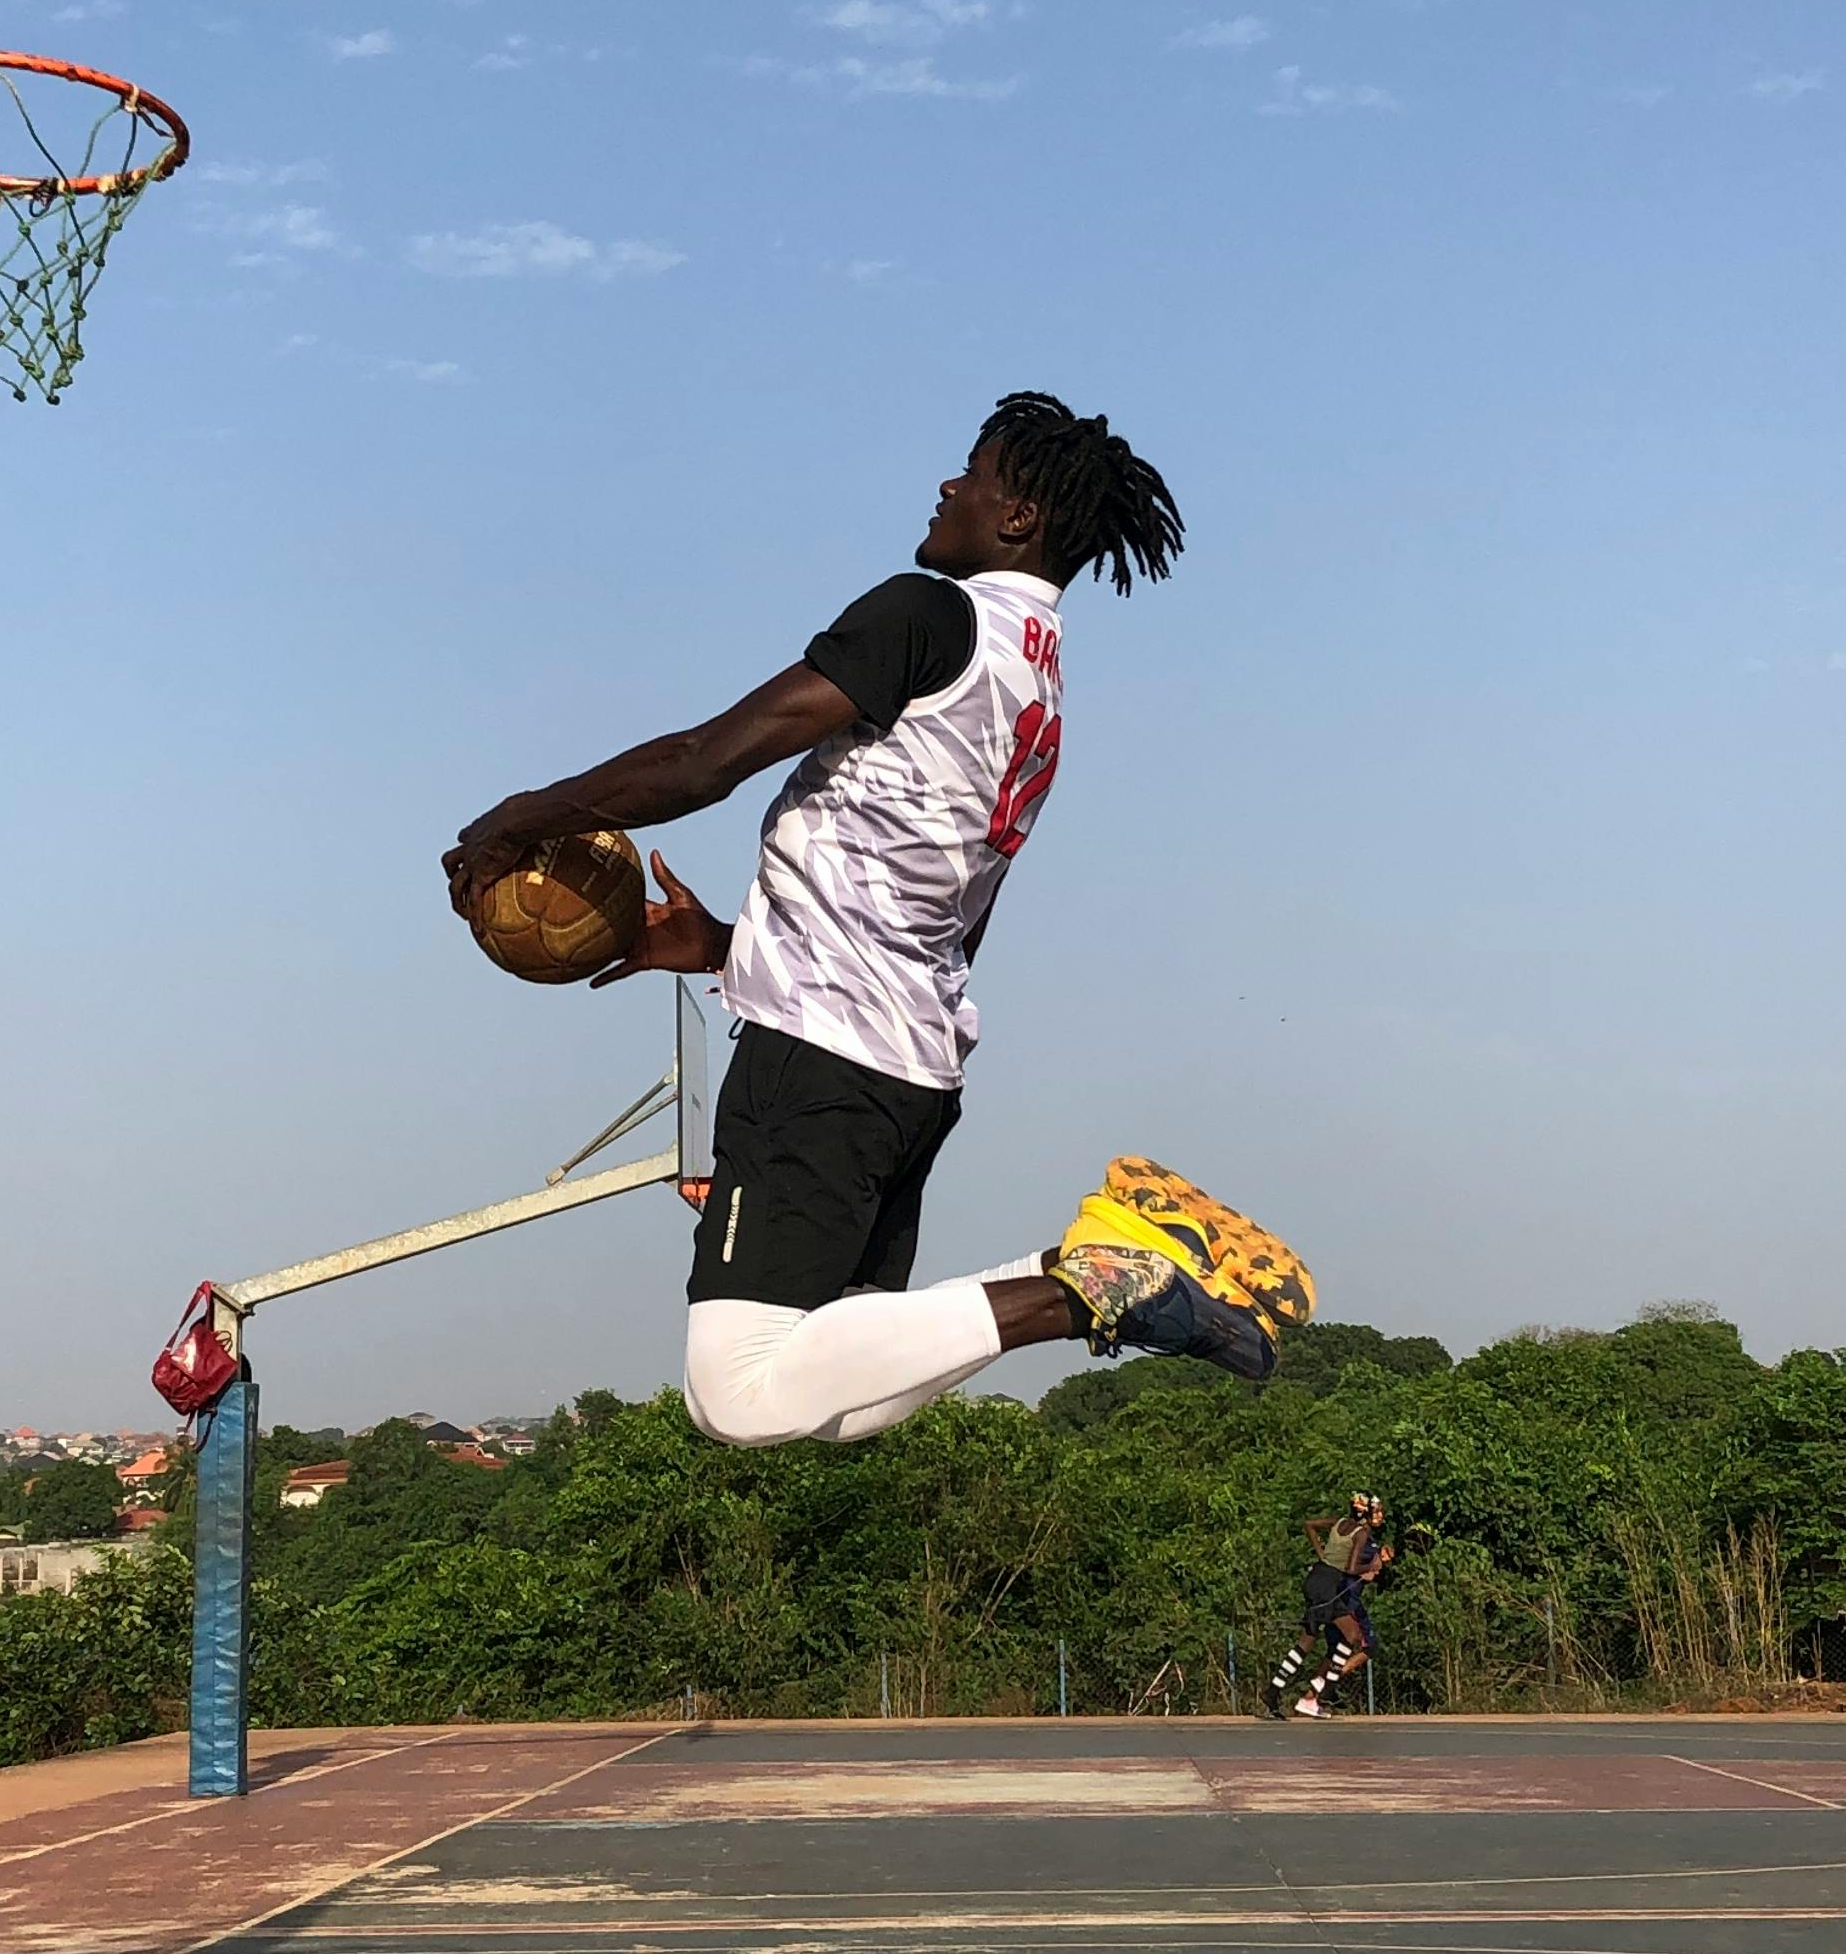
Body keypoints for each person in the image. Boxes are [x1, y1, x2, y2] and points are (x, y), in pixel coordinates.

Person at [444, 392, 1311, 1445]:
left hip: (819, 1062)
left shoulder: (930, 616)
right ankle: (1097, 1267)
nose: (950, 486)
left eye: (975, 472)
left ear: (1019, 517)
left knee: (738, 1395)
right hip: (906, 1066)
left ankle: (1084, 1289)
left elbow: (706, 761)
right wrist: (726, 948)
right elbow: (930, 910)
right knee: (838, 1391)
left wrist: (514, 820)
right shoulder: (1034, 679)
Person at [1266, 1489, 1392, 1717]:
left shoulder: (1339, 1522)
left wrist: (1321, 1552)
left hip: (1316, 1577)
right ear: (1367, 1514)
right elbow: (1352, 1569)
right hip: (1329, 1586)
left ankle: (1274, 1690)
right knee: (1353, 1635)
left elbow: (1309, 1524)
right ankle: (1327, 1688)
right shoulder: (1361, 1534)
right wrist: (1372, 1568)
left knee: (1306, 1642)